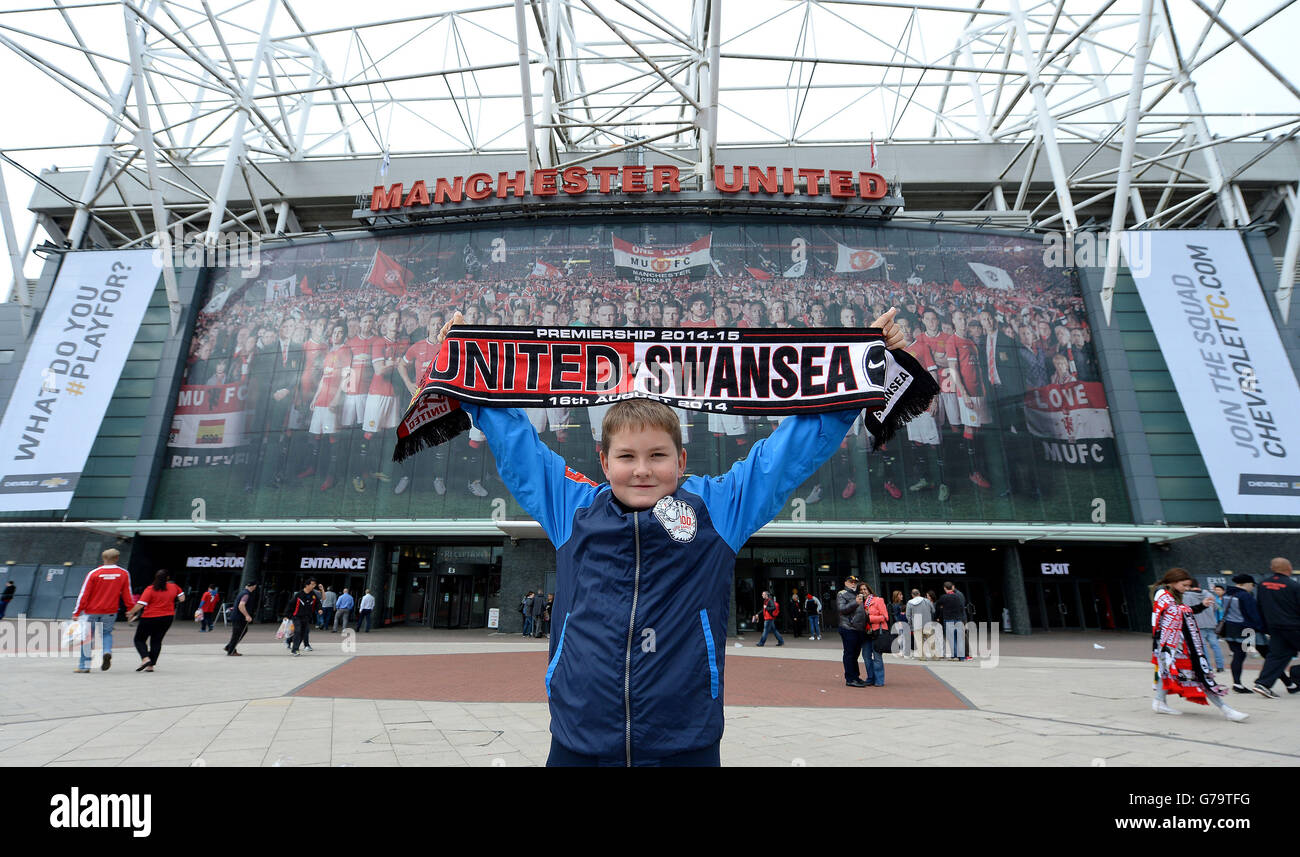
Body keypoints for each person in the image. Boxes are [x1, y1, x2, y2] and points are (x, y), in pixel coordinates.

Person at [437, 305, 906, 765]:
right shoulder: (572, 508)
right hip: (579, 739)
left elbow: (786, 455)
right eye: (626, 457)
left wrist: (858, 363)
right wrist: (465, 365)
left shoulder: (718, 509)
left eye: (658, 455)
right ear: (604, 462)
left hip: (685, 742)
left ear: (681, 461)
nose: (641, 471)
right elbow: (515, 444)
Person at [1150, 568, 1247, 721]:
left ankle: (1159, 702)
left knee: (1168, 671)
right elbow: (1179, 613)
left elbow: (1182, 612)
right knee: (1198, 673)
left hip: (1174, 645)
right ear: (1174, 582)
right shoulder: (1163, 595)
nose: (1187, 589)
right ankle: (1226, 710)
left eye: (1188, 586)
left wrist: (1201, 606)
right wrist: (1199, 607)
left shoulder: (1170, 595)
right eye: (1185, 585)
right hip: (1174, 645)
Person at [71, 548, 136, 673]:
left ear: (103, 558)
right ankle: (106, 651)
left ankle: (84, 666)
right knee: (106, 633)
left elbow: (84, 594)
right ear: (117, 558)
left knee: (87, 637)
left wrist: (77, 612)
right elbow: (127, 594)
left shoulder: (94, 573)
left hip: (92, 611)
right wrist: (130, 610)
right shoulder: (123, 573)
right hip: (110, 611)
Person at [1253, 557, 1300, 698]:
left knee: (1277, 655)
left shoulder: (1262, 584)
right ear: (1289, 568)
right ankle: (1296, 675)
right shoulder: (1293, 585)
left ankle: (1263, 684)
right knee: (1279, 655)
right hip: (1295, 626)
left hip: (1274, 626)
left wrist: (1265, 626)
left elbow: (1259, 606)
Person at [127, 570, 184, 672]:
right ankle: (151, 666)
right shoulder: (174, 587)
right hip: (167, 617)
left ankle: (145, 658)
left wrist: (131, 612)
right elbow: (182, 599)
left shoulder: (150, 589)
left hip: (149, 617)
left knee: (139, 639)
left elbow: (141, 604)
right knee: (156, 640)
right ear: (168, 578)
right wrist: (172, 600)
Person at [1220, 573, 1267, 694]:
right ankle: (1239, 684)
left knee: (1237, 656)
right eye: (1252, 585)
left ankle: (1237, 683)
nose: (1252, 587)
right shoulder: (1245, 596)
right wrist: (1263, 628)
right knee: (1243, 655)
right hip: (1246, 630)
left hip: (1229, 629)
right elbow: (1253, 615)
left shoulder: (1227, 594)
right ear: (1246, 584)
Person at [1182, 578, 1225, 673]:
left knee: (1202, 646)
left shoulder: (1186, 596)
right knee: (1215, 645)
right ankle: (1220, 666)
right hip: (1211, 623)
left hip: (1197, 624)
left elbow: (1186, 611)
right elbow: (1216, 607)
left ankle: (1207, 667)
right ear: (1199, 585)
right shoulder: (1209, 594)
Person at [837, 577, 868, 687]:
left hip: (858, 628)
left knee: (855, 654)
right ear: (846, 583)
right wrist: (855, 602)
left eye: (855, 582)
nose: (853, 584)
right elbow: (842, 609)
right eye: (851, 582)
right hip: (848, 628)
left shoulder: (858, 593)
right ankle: (850, 678)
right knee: (850, 654)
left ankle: (855, 677)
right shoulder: (842, 594)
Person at [860, 583, 889, 686]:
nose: (863, 591)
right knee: (866, 656)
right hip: (865, 633)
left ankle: (879, 680)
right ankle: (870, 678)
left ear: (869, 590)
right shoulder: (860, 603)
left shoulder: (878, 600)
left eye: (865, 589)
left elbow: (885, 617)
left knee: (877, 657)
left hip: (877, 632)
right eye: (861, 590)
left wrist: (870, 618)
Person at [224, 582, 258, 656]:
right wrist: (247, 615)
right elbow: (241, 605)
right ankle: (231, 650)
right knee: (237, 634)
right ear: (253, 586)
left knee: (241, 632)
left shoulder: (242, 592)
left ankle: (229, 647)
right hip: (239, 617)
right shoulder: (246, 594)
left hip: (237, 617)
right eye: (255, 586)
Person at [287, 579, 318, 656]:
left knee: (303, 633)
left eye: (314, 584)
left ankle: (293, 645)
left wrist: (320, 609)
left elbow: (318, 603)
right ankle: (295, 650)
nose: (314, 586)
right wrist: (286, 615)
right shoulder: (299, 594)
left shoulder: (313, 594)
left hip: (306, 617)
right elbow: (290, 604)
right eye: (312, 584)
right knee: (297, 631)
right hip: (297, 616)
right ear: (307, 585)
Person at [937, 581, 967, 660]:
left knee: (951, 638)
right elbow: (961, 608)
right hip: (958, 619)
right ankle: (962, 657)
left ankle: (955, 655)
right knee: (959, 638)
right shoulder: (958, 596)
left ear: (945, 588)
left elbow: (938, 605)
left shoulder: (943, 597)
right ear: (952, 587)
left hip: (948, 620)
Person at [905, 588, 933, 659]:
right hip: (927, 623)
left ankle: (922, 656)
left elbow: (908, 615)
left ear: (912, 595)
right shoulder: (927, 601)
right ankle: (935, 655)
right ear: (919, 594)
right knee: (930, 639)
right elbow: (933, 610)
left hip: (917, 624)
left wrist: (910, 624)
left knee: (919, 640)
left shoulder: (910, 603)